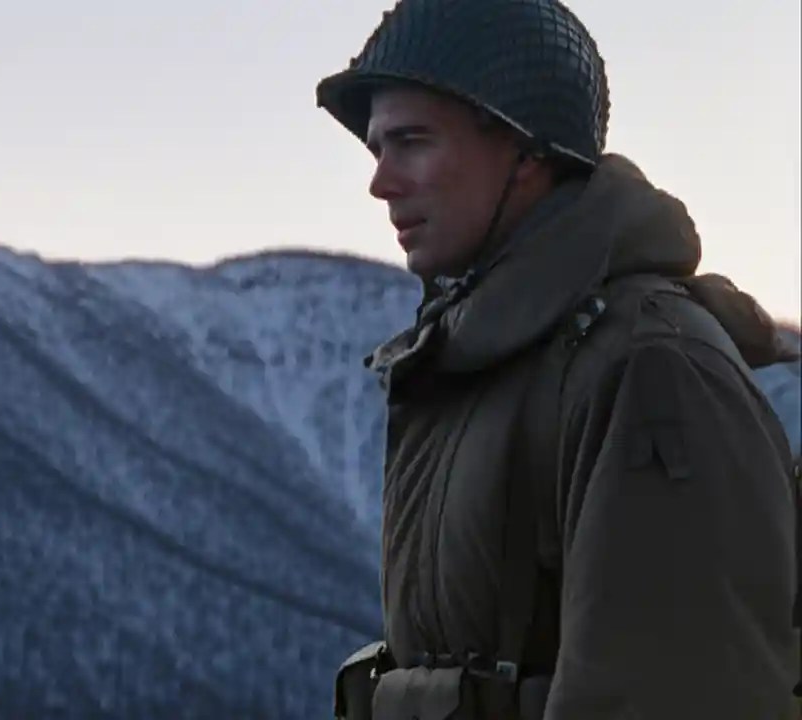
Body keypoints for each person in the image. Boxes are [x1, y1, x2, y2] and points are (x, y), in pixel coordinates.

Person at [314, 1, 802, 718]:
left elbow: (677, 696)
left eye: (412, 142)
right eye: (378, 149)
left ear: (529, 149)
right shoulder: (485, 363)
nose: (381, 181)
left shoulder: (648, 368)